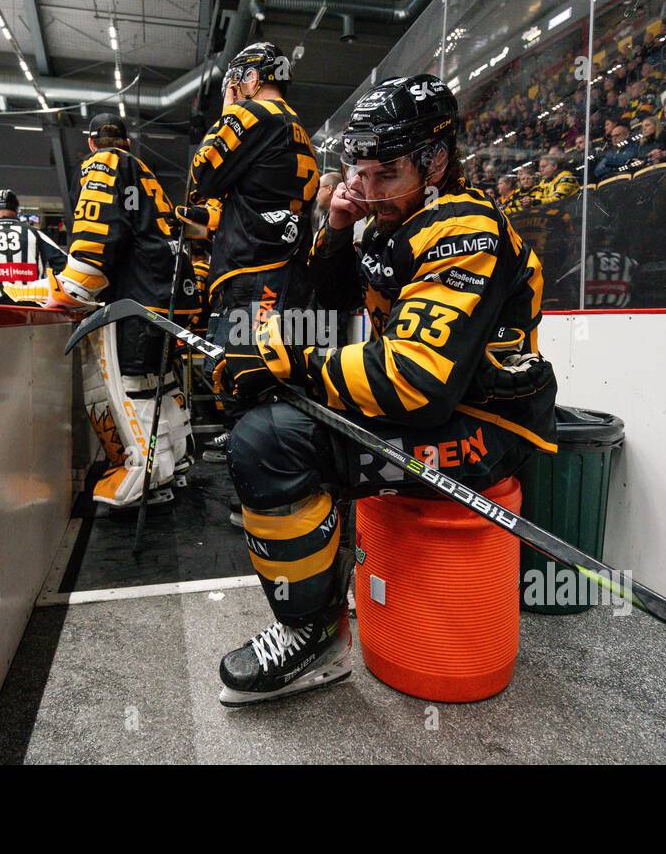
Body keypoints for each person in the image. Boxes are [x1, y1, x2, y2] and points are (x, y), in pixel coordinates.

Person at [214, 73, 557, 704]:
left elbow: (416, 381)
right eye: (360, 175)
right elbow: (321, 309)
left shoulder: (464, 228)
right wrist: (338, 229)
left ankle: (312, 635)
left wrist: (293, 363)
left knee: (267, 441)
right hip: (441, 408)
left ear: (437, 160)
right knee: (271, 407)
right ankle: (326, 589)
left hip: (487, 426)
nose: (370, 193)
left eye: (386, 175)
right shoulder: (388, 218)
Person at [177, 41, 319, 508]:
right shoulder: (299, 129)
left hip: (255, 277)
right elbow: (259, 200)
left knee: (247, 377)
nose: (233, 90)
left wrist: (227, 112)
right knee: (270, 378)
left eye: (238, 81)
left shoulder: (253, 114)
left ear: (253, 79)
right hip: (284, 272)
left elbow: (203, 172)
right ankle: (272, 481)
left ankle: (263, 498)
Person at [44, 112, 196, 509]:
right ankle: (174, 462)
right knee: (160, 382)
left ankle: (143, 474)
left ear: (92, 142)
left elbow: (97, 233)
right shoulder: (144, 170)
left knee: (131, 387)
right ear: (126, 142)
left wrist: (73, 287)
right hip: (168, 297)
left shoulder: (102, 164)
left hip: (134, 301)